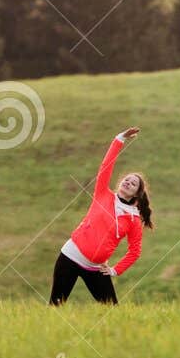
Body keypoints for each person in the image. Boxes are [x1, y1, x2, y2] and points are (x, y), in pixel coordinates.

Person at [50, 127, 151, 305]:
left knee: (112, 310)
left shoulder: (134, 219)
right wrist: (119, 139)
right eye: (127, 179)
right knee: (56, 305)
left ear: (137, 194)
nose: (128, 182)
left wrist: (115, 270)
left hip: (96, 268)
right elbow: (106, 166)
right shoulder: (103, 193)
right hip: (69, 257)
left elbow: (135, 251)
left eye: (134, 183)